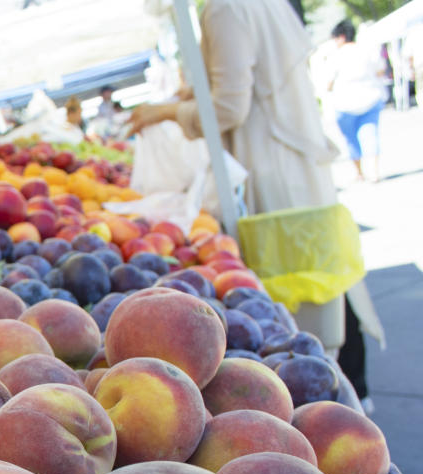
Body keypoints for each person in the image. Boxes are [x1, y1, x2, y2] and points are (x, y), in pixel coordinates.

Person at [125, 0, 382, 410]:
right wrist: (182, 98)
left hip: (267, 170)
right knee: (321, 283)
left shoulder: (225, 7)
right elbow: (250, 77)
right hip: (296, 168)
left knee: (295, 299)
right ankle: (349, 392)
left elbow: (229, 106)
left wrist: (166, 110)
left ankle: (333, 400)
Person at [325, 20, 387, 182]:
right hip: (370, 98)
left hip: (344, 103)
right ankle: (374, 172)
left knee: (351, 139)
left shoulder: (335, 56)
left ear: (341, 37)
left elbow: (328, 84)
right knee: (370, 134)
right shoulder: (365, 49)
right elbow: (380, 70)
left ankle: (359, 173)